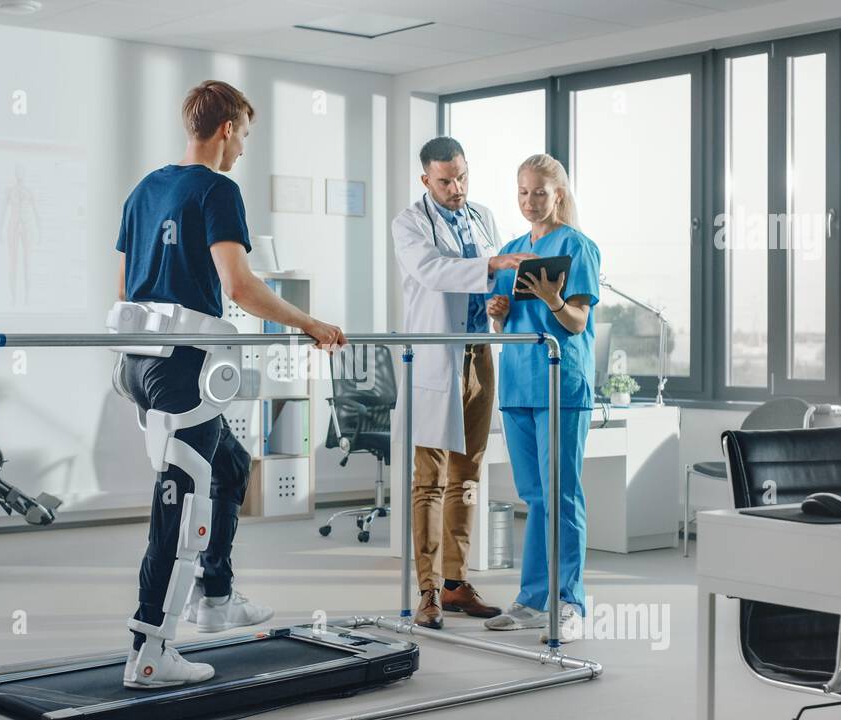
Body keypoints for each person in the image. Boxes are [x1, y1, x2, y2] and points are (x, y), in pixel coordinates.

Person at [115, 80, 346, 687]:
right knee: (181, 499)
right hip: (183, 365)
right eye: (244, 133)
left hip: (140, 363)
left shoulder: (145, 190)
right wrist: (309, 323)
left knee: (231, 467)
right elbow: (239, 286)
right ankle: (150, 649)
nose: (243, 146)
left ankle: (214, 595)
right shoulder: (218, 189)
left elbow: (124, 288)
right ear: (225, 129)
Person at [391, 136, 536, 629]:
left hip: (478, 355)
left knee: (468, 474)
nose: (457, 188)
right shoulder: (409, 223)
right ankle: (427, 591)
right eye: (446, 180)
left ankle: (456, 584)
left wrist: (499, 301)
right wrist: (491, 266)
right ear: (425, 179)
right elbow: (433, 272)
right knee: (429, 480)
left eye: (463, 176)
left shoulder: (483, 218)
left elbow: (490, 283)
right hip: (436, 358)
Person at [483, 154, 600, 644]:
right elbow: (504, 324)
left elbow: (576, 321)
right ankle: (532, 599)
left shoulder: (577, 246)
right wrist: (498, 310)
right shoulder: (511, 250)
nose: (530, 201)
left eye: (539, 192)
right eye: (523, 192)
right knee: (533, 498)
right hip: (517, 387)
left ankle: (570, 602)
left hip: (560, 385)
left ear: (559, 195)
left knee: (562, 495)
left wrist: (553, 299)